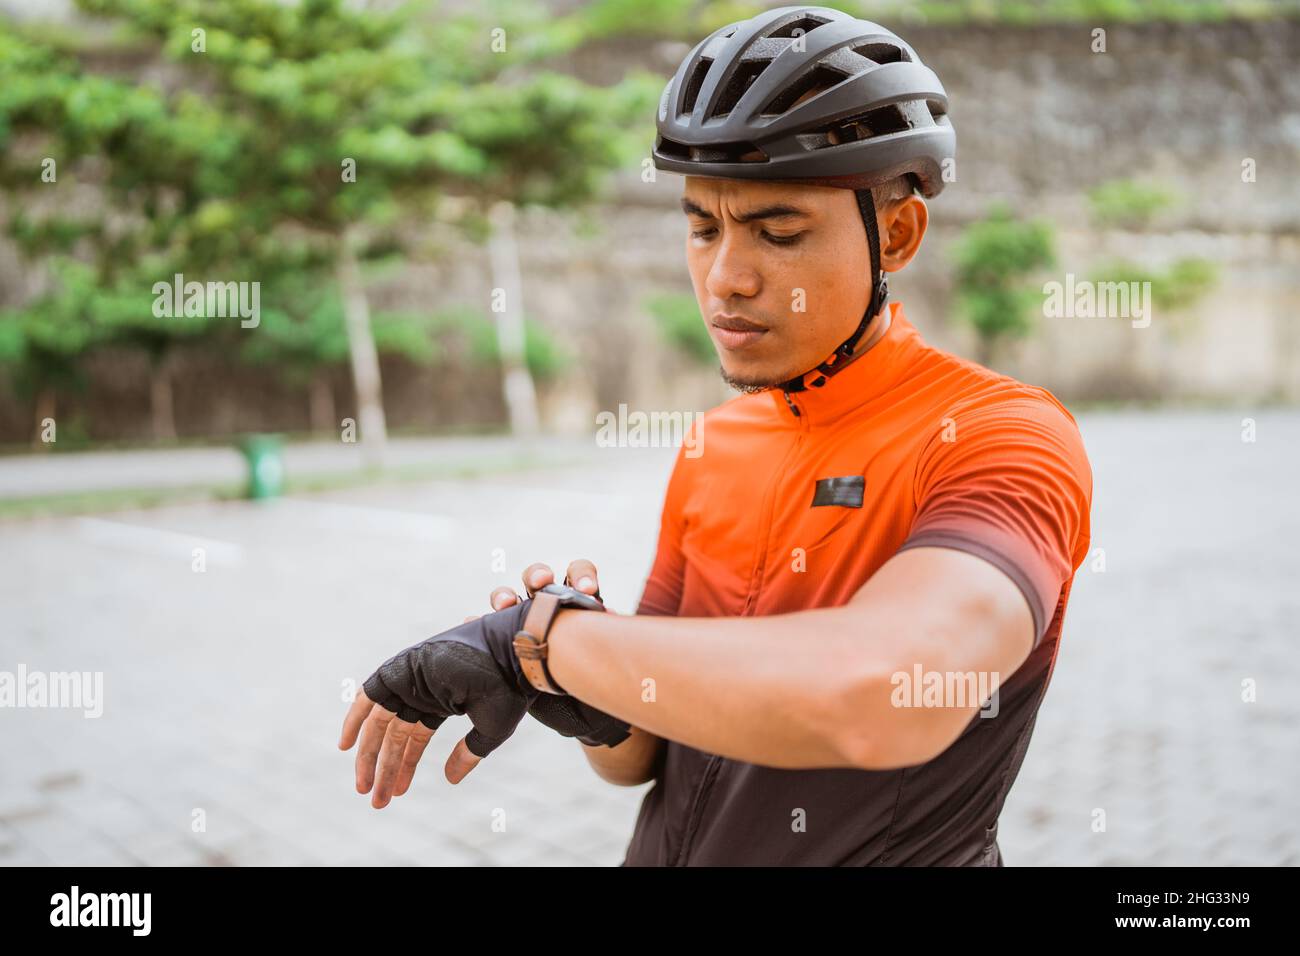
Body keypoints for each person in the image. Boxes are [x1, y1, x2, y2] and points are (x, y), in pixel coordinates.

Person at [339, 5, 1093, 866]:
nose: (726, 278)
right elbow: (636, 760)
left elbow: (888, 692)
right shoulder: (717, 444)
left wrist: (546, 644)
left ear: (898, 233)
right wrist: (580, 680)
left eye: (778, 232)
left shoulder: (1001, 436)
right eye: (703, 227)